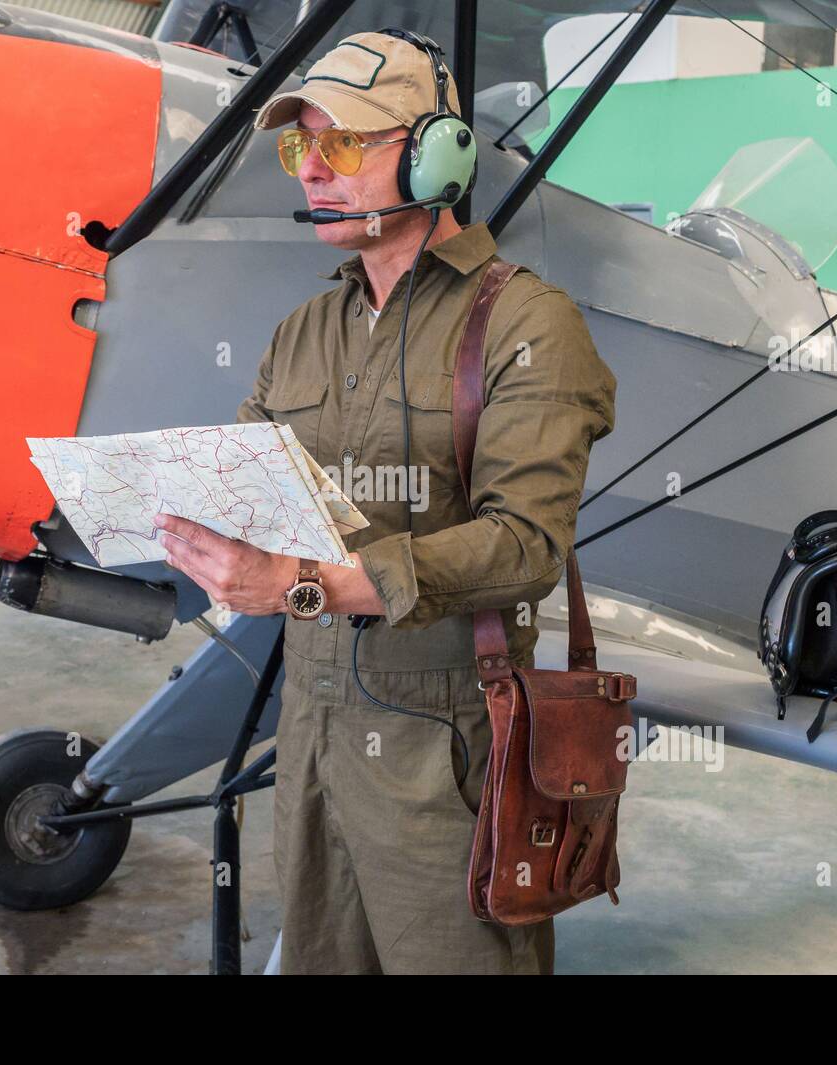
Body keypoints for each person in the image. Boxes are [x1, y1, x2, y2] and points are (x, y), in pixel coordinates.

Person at [153, 29, 616, 974]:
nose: (314, 172)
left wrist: (301, 582)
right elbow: (251, 482)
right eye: (300, 149)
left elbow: (526, 544)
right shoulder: (305, 330)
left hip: (448, 742)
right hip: (310, 730)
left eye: (345, 145)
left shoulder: (528, 323)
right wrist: (194, 522)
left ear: (434, 153)